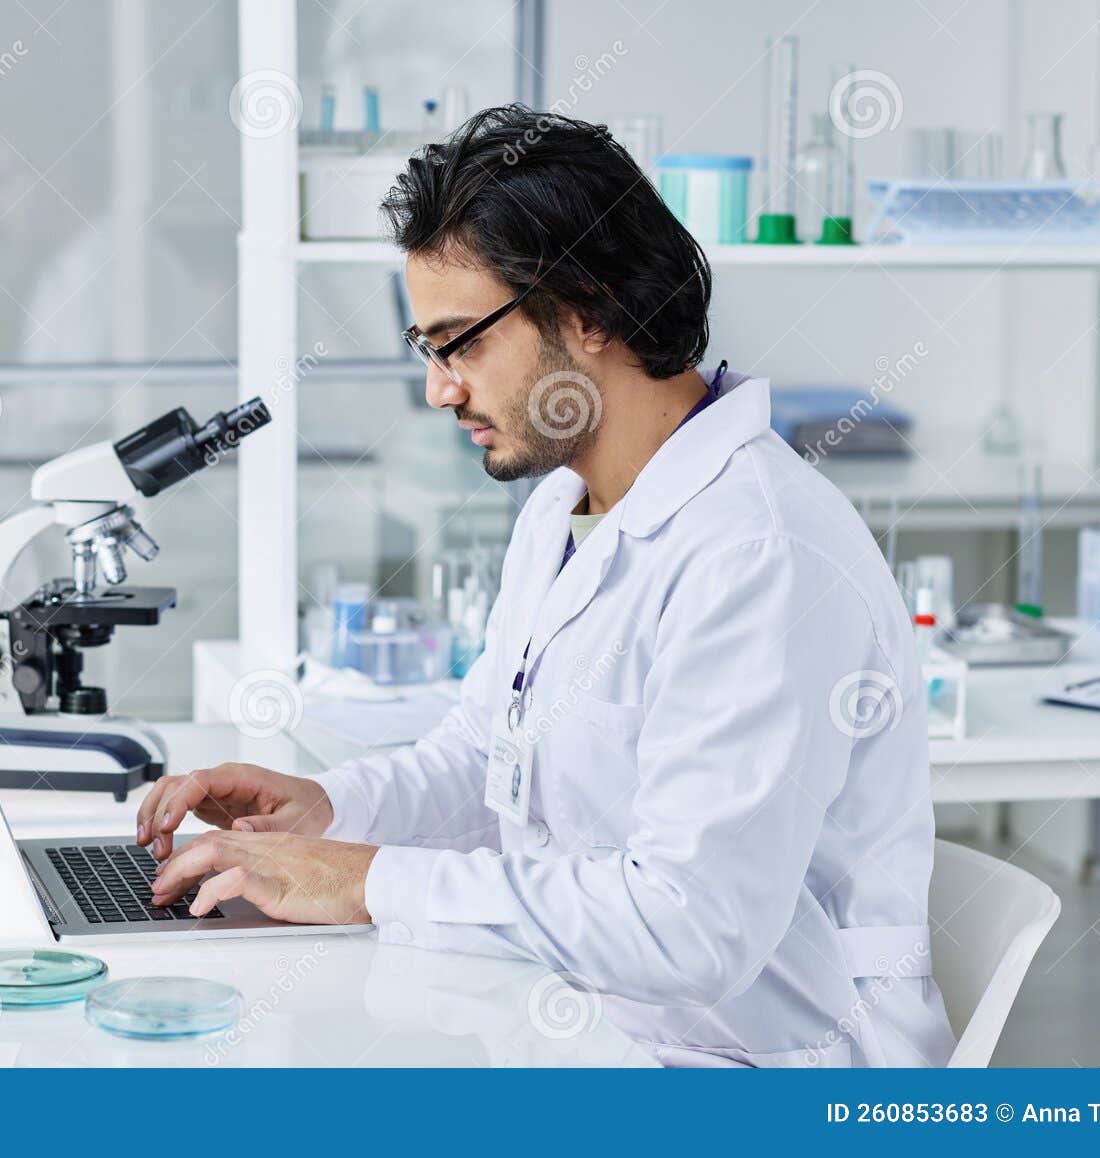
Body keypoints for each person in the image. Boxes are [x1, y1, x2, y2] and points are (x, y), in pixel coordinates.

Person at [140, 105, 956, 1068]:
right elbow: (491, 761)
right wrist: (324, 812)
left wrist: (366, 882)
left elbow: (690, 929)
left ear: (590, 311)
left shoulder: (757, 555)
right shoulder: (568, 506)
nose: (441, 389)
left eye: (464, 342)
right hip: (592, 1028)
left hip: (765, 1066)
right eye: (428, 349)